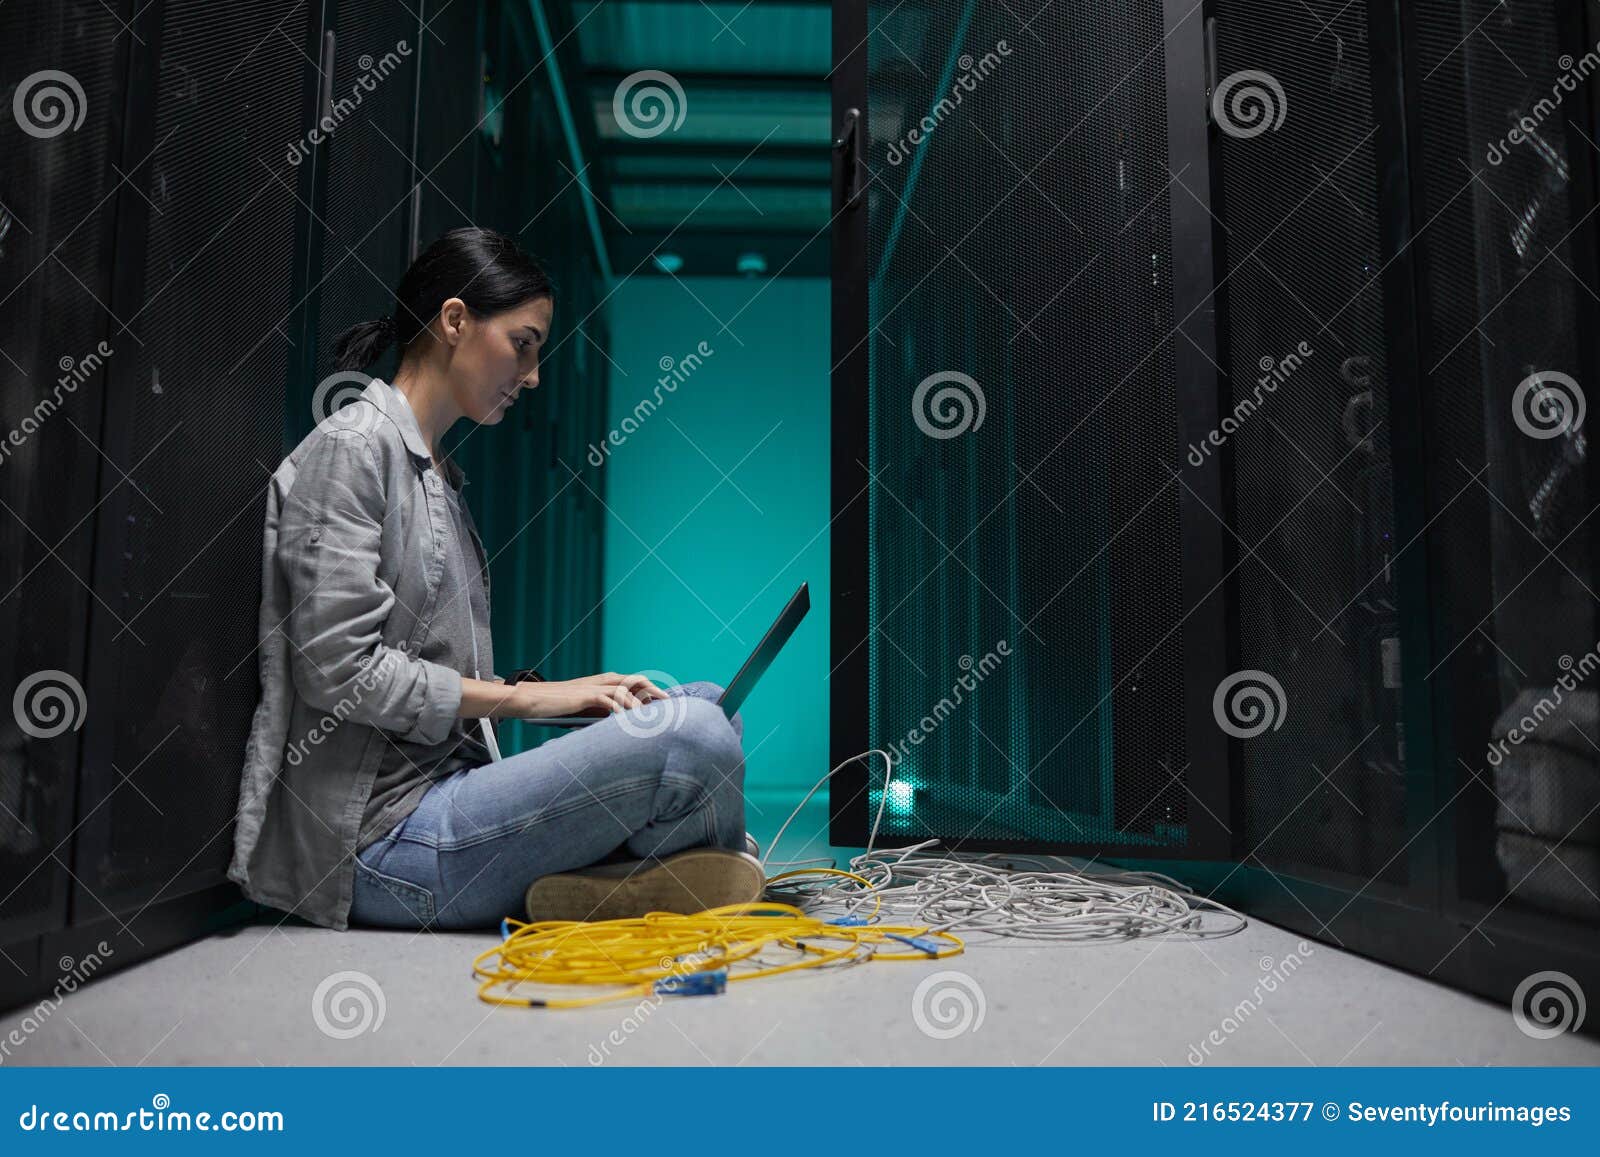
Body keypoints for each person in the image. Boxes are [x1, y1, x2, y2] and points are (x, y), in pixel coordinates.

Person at [227, 227, 763, 931]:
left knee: (705, 703)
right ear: (455, 321)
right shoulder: (353, 450)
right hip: (379, 845)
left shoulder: (440, 477)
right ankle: (688, 871)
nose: (533, 374)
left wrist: (576, 697)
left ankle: (658, 878)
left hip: (449, 797)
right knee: (693, 737)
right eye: (524, 342)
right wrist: (530, 699)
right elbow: (339, 673)